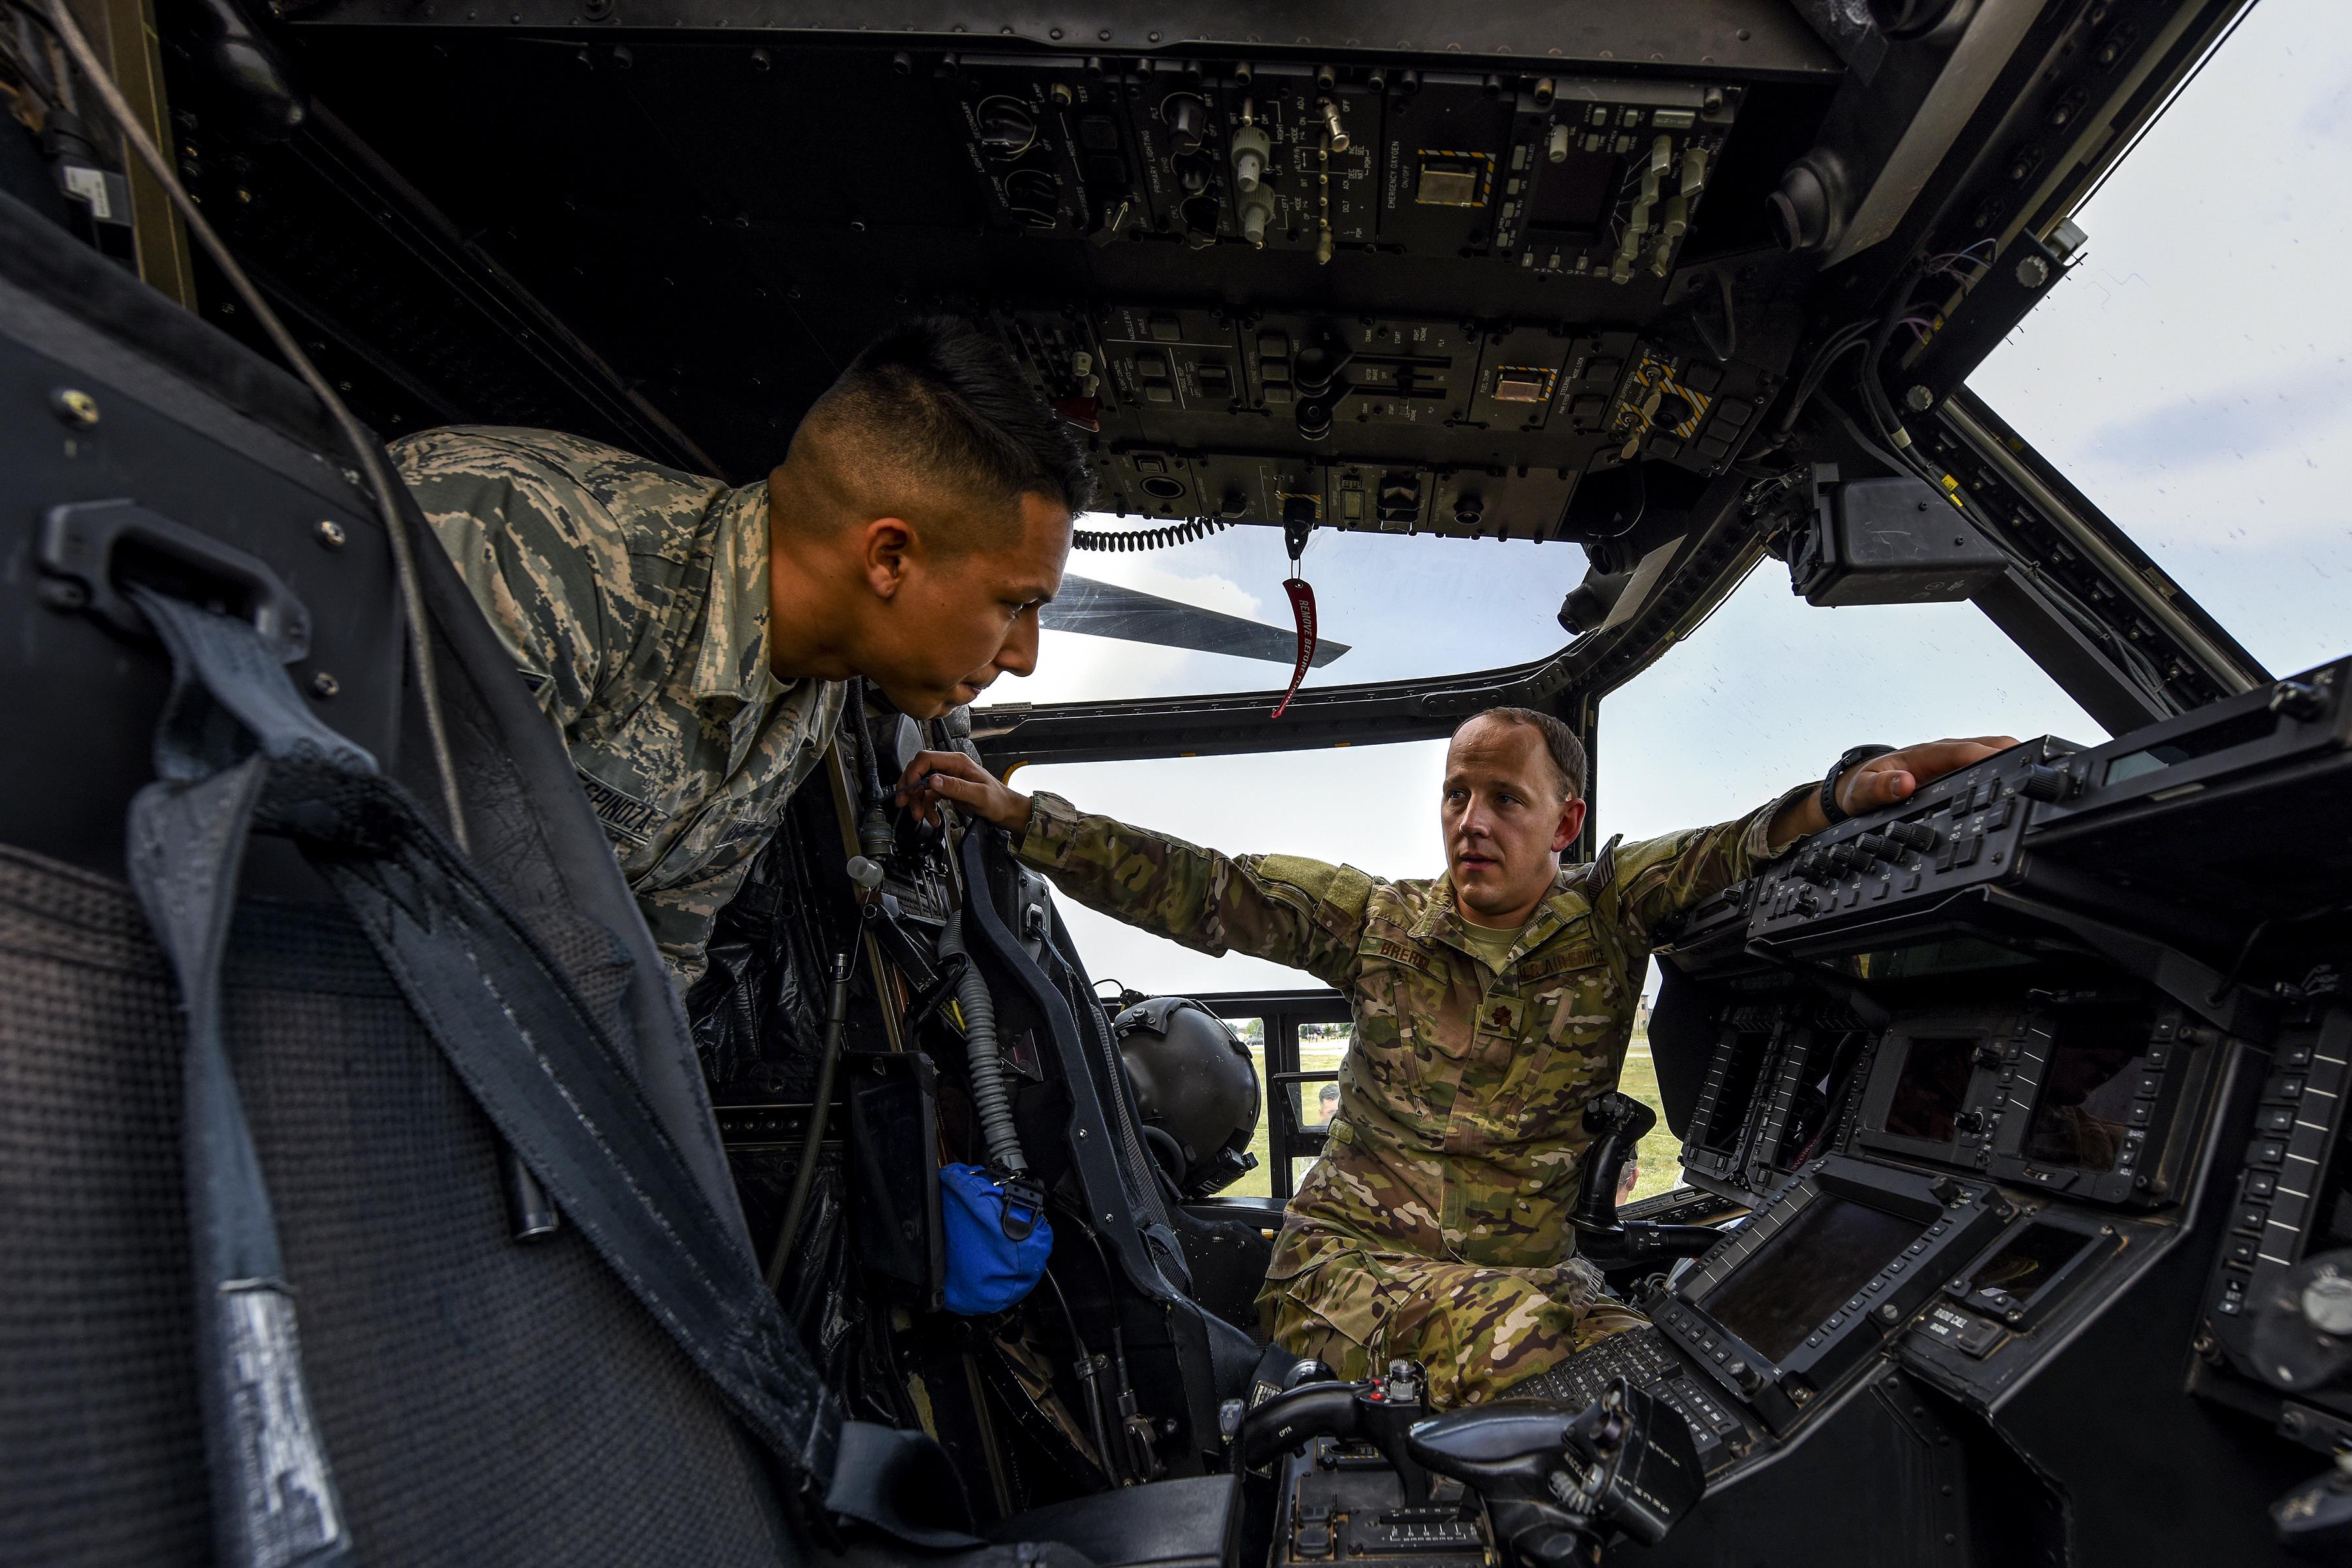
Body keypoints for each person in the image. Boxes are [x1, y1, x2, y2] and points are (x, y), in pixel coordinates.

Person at [896, 709, 2014, 1405]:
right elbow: (1213, 886)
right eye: (1456, 795)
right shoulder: (1378, 921)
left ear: (1564, 823)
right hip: (1346, 1273)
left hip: (1530, 1279)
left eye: (1504, 800)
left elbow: (1728, 851)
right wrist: (1025, 816)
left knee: (1662, 1362)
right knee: (1602, 1386)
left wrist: (1842, 795)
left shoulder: (1610, 916)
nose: (1471, 822)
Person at [395, 318, 1088, 988]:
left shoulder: (808, 703)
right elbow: (381, 893)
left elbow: (660, 958)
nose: (1023, 656)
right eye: (1015, 604)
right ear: (890, 558)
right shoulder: (547, 550)